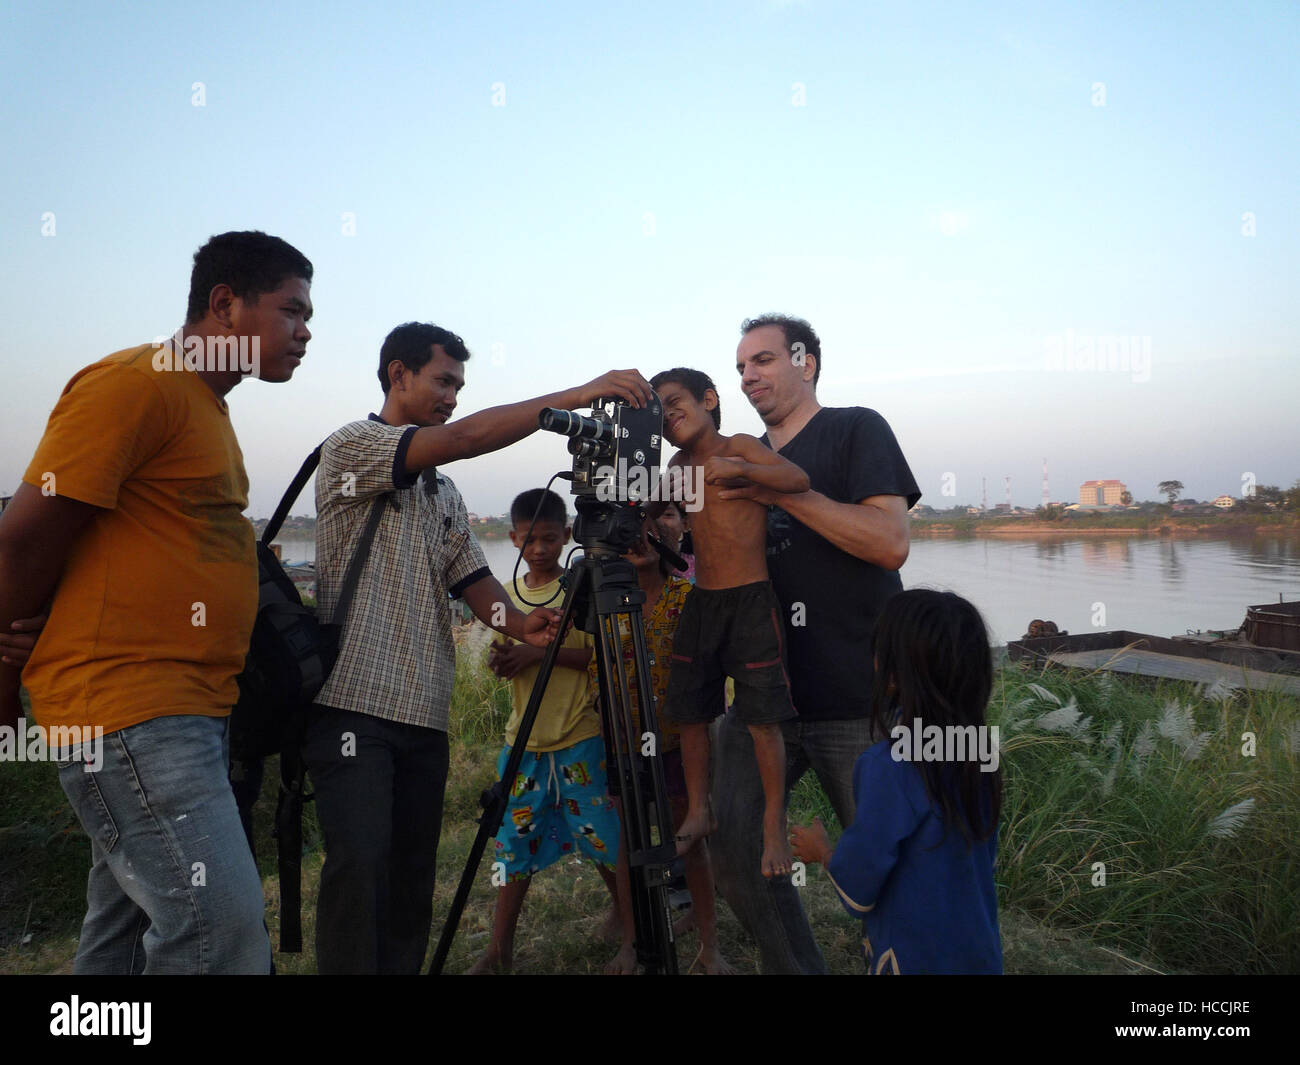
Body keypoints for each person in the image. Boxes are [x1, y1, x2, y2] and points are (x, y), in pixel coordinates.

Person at [0, 231, 314, 973]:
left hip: (181, 713)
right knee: (220, 934)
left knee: (121, 942)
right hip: (133, 713)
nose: (305, 333)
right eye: (291, 311)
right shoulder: (136, 382)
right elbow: (22, 539)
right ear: (224, 303)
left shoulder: (205, 406)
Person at [303, 322, 652, 974]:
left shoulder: (442, 490)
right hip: (353, 702)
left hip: (424, 708)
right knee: (359, 863)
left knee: (411, 868)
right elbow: (464, 440)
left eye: (460, 386)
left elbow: (474, 581)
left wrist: (523, 626)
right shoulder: (353, 446)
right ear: (397, 374)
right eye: (443, 381)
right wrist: (577, 396)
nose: (452, 398)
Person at [711, 313, 920, 975]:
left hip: (863, 699)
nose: (748, 377)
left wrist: (783, 492)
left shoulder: (855, 429)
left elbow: (888, 541)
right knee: (734, 840)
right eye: (741, 366)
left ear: (807, 363)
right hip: (767, 701)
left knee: (895, 865)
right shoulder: (736, 462)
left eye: (763, 360)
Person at [649, 367, 810, 882]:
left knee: (764, 718)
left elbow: (797, 479)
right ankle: (700, 809)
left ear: (709, 399)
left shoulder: (739, 444)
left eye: (677, 402)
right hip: (703, 600)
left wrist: (744, 474)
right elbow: (650, 505)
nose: (670, 414)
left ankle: (773, 826)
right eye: (660, 411)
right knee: (690, 710)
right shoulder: (676, 466)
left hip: (749, 598)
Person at [790, 590, 1003, 974]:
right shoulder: (979, 754)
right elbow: (983, 859)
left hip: (911, 958)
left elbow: (859, 885)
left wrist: (821, 851)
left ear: (891, 674)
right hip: (979, 954)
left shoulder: (887, 765)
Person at [467, 488, 622, 974]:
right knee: (513, 848)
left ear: (567, 537)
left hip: (580, 735)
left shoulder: (578, 590)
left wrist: (537, 654)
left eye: (550, 538)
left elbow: (599, 659)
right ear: (513, 539)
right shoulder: (506, 599)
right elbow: (505, 659)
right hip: (524, 741)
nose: (539, 548)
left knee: (605, 842)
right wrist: (505, 661)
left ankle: (631, 929)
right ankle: (499, 950)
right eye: (530, 539)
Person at [589, 512, 734, 974]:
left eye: (653, 527)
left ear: (669, 538)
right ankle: (632, 942)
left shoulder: (687, 599)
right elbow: (597, 670)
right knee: (628, 844)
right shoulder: (605, 603)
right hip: (625, 743)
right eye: (630, 528)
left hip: (679, 745)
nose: (640, 537)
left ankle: (709, 946)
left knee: (689, 842)